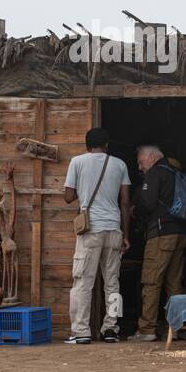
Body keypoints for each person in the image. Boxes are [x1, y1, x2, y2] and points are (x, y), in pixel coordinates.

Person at [63, 128, 131, 344]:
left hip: (90, 230)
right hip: (114, 230)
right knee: (113, 283)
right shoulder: (120, 164)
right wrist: (125, 235)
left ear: (86, 145)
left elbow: (68, 196)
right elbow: (125, 202)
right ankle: (111, 328)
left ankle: (81, 331)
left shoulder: (77, 162)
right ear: (107, 145)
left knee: (83, 282)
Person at [132, 145, 186, 341]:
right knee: (174, 283)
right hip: (180, 233)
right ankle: (175, 328)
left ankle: (147, 329)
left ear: (151, 157)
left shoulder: (155, 174)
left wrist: (134, 211)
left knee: (151, 281)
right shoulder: (175, 172)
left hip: (161, 233)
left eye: (141, 162)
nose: (140, 167)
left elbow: (147, 204)